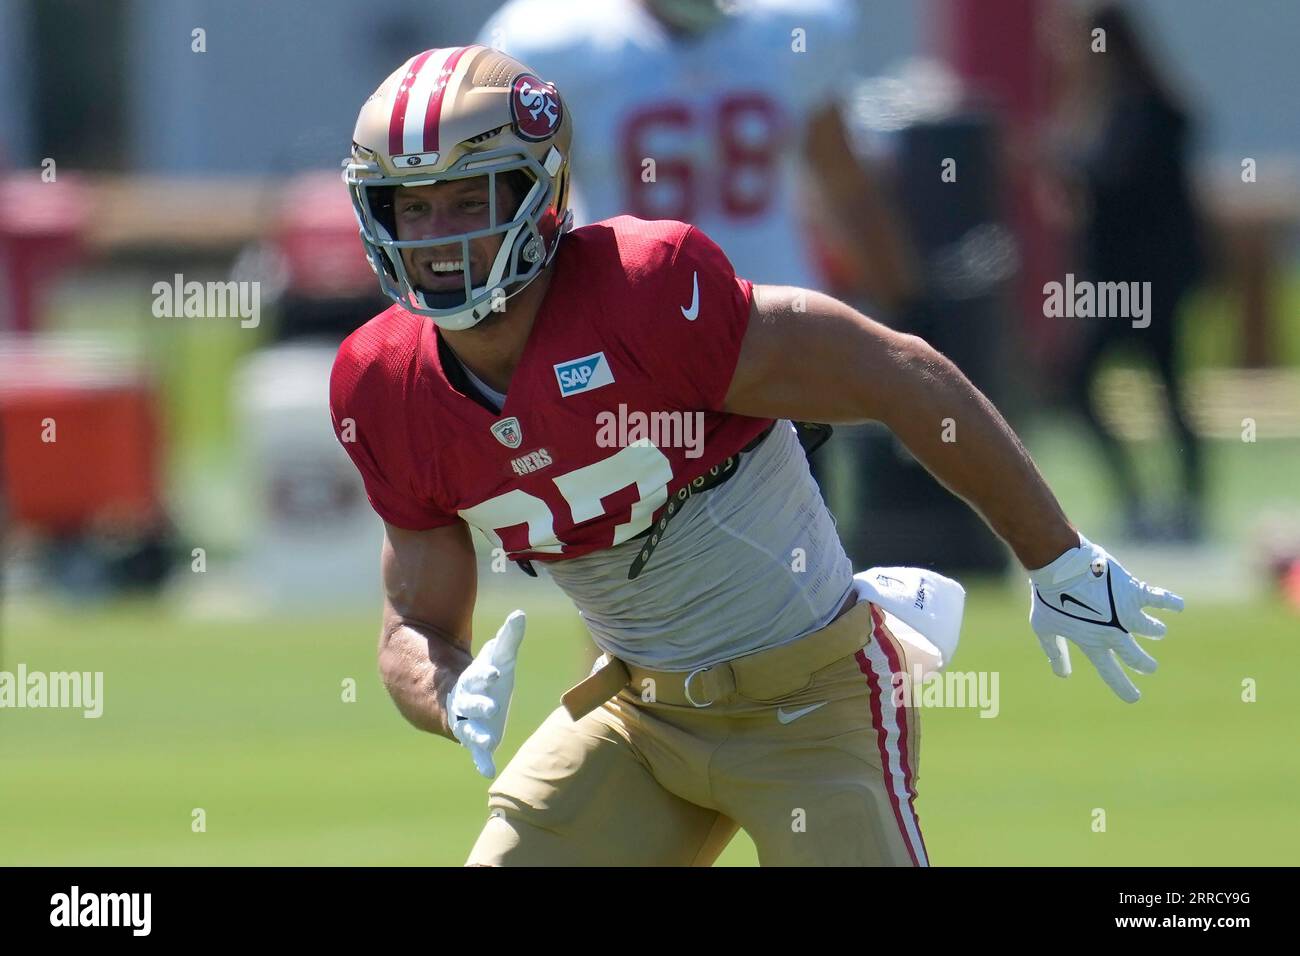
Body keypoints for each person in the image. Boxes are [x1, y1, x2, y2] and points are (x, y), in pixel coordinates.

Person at [331, 45, 1183, 866]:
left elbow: (897, 374)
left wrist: (1056, 556)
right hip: (634, 713)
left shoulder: (643, 294)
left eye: (465, 199)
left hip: (809, 704)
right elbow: (416, 620)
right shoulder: (382, 385)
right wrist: (447, 693)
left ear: (536, 197)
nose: (435, 235)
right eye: (412, 206)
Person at [475, 0, 917, 311]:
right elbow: (519, 206)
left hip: (779, 320)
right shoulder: (551, 41)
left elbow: (841, 181)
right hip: (630, 326)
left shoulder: (794, 26)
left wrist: (907, 310)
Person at [1059, 2, 1208, 541]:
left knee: (1156, 387)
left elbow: (1120, 183)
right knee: (1154, 388)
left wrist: (1070, 169)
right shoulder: (1107, 106)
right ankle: (1149, 501)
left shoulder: (1145, 110)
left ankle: (1181, 506)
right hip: (1120, 279)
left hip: (1145, 280)